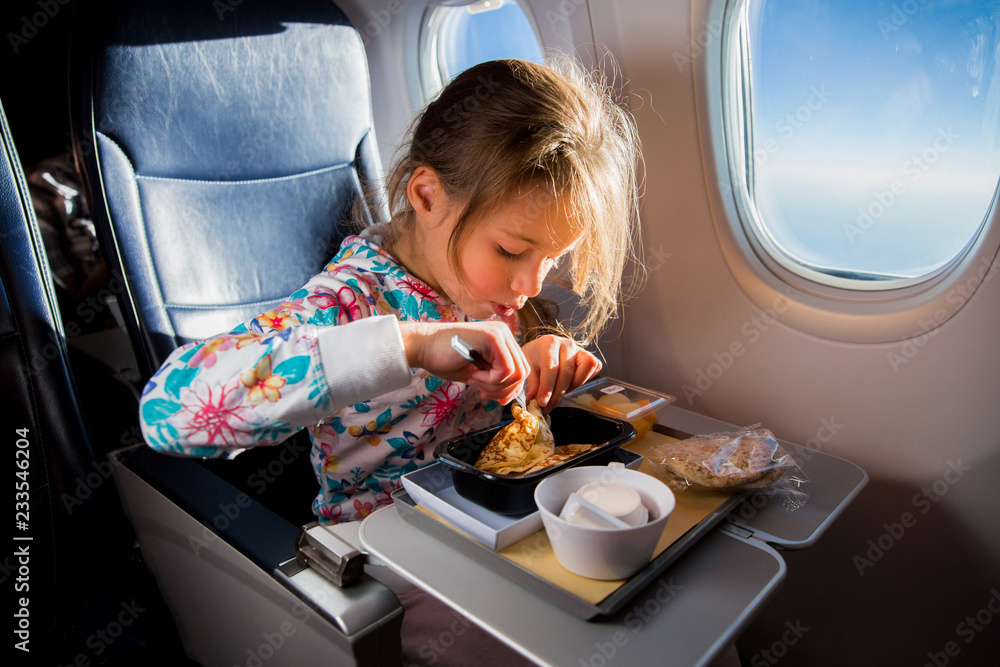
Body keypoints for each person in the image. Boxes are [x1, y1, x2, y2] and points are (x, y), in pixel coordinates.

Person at [138, 58, 641, 525]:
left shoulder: (486, 289)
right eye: (511, 252)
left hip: (490, 513)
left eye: (551, 258)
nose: (530, 286)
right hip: (388, 541)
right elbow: (168, 413)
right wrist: (411, 345)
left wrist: (540, 358)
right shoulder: (349, 300)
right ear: (426, 196)